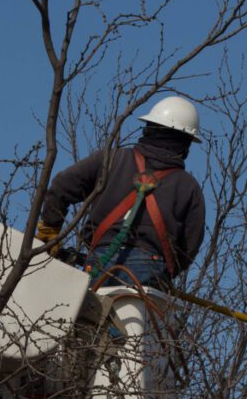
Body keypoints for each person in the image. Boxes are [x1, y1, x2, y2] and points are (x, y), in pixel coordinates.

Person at [38, 96, 206, 288]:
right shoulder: (187, 186)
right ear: (186, 144)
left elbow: (62, 185)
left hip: (99, 261)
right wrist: (167, 271)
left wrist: (50, 228)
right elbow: (190, 245)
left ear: (149, 128)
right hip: (150, 267)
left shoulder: (111, 160)